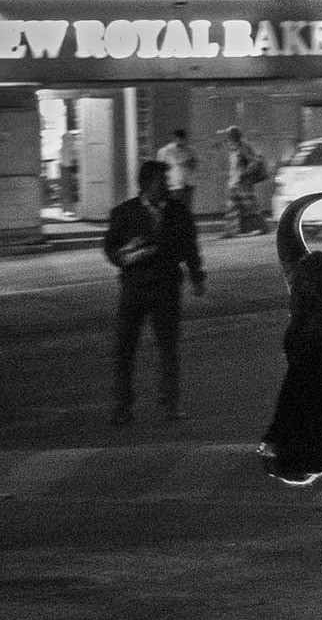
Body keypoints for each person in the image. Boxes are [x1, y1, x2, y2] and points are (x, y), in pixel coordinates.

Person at [104, 160, 207, 424]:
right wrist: (124, 255)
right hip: (135, 289)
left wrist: (197, 276)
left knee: (169, 348)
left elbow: (190, 245)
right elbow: (110, 247)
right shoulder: (124, 213)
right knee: (125, 349)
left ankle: (170, 404)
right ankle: (122, 406)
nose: (167, 186)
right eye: (162, 181)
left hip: (166, 288)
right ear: (147, 184)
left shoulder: (178, 211)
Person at [220, 125, 268, 237]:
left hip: (243, 183)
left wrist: (244, 173)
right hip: (234, 182)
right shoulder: (234, 147)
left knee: (250, 206)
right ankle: (232, 230)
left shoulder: (243, 147)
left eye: (229, 135)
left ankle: (261, 227)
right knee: (232, 207)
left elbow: (254, 162)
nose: (227, 138)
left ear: (234, 136)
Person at [156, 128, 198, 211]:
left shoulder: (190, 150)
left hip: (187, 184)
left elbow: (194, 165)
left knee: (186, 210)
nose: (182, 142)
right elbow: (159, 167)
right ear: (175, 138)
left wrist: (188, 163)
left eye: (184, 139)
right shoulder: (166, 151)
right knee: (174, 210)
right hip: (174, 185)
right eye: (179, 139)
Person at [58, 121, 81, 216]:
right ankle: (70, 209)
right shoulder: (71, 147)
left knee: (67, 190)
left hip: (64, 168)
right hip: (69, 168)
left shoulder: (63, 148)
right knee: (70, 190)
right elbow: (73, 158)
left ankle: (67, 208)